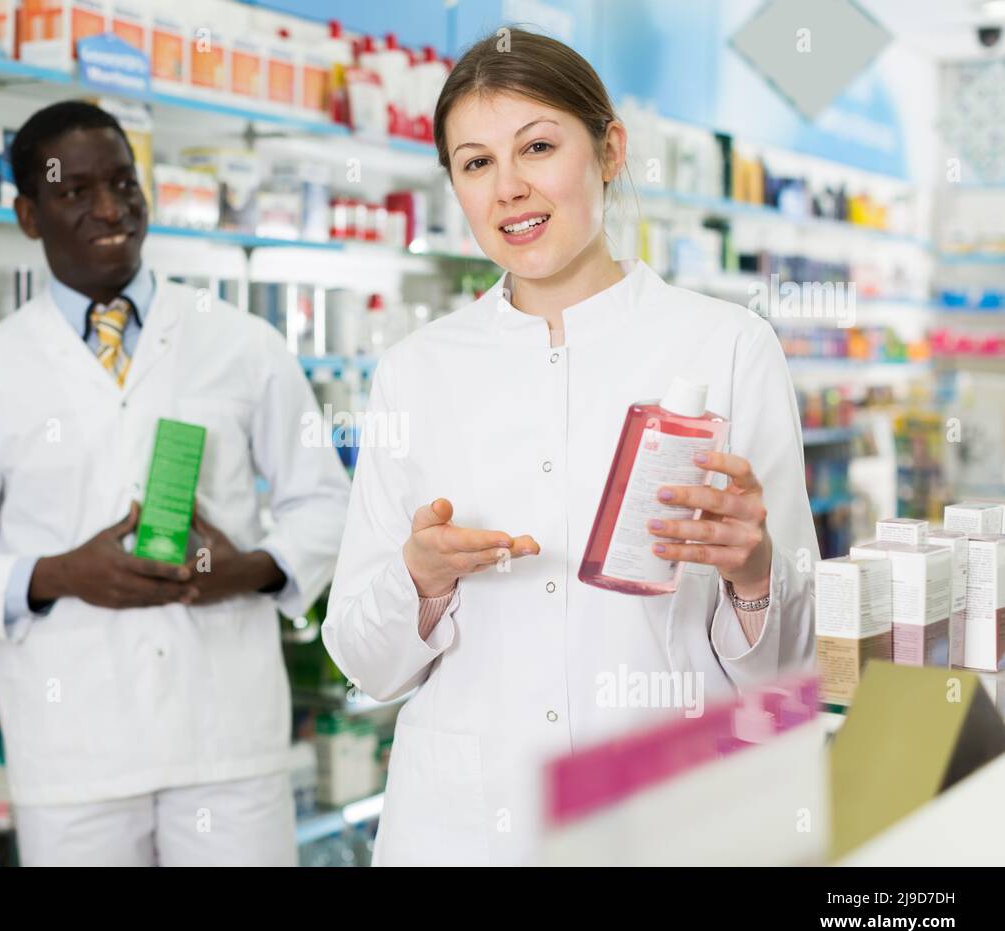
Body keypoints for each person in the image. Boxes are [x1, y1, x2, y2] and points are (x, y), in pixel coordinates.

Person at [321, 29, 816, 866]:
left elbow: (796, 670)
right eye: (475, 163)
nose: (509, 188)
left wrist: (755, 572)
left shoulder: (728, 347)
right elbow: (363, 662)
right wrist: (421, 580)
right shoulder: (415, 371)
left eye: (539, 147)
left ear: (610, 149)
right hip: (464, 827)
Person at [0, 101, 350, 866]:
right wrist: (60, 574)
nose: (111, 208)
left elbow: (324, 502)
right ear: (28, 216)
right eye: (76, 192)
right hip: (75, 754)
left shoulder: (243, 346)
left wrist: (248, 570)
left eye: (124, 184)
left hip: (226, 743)